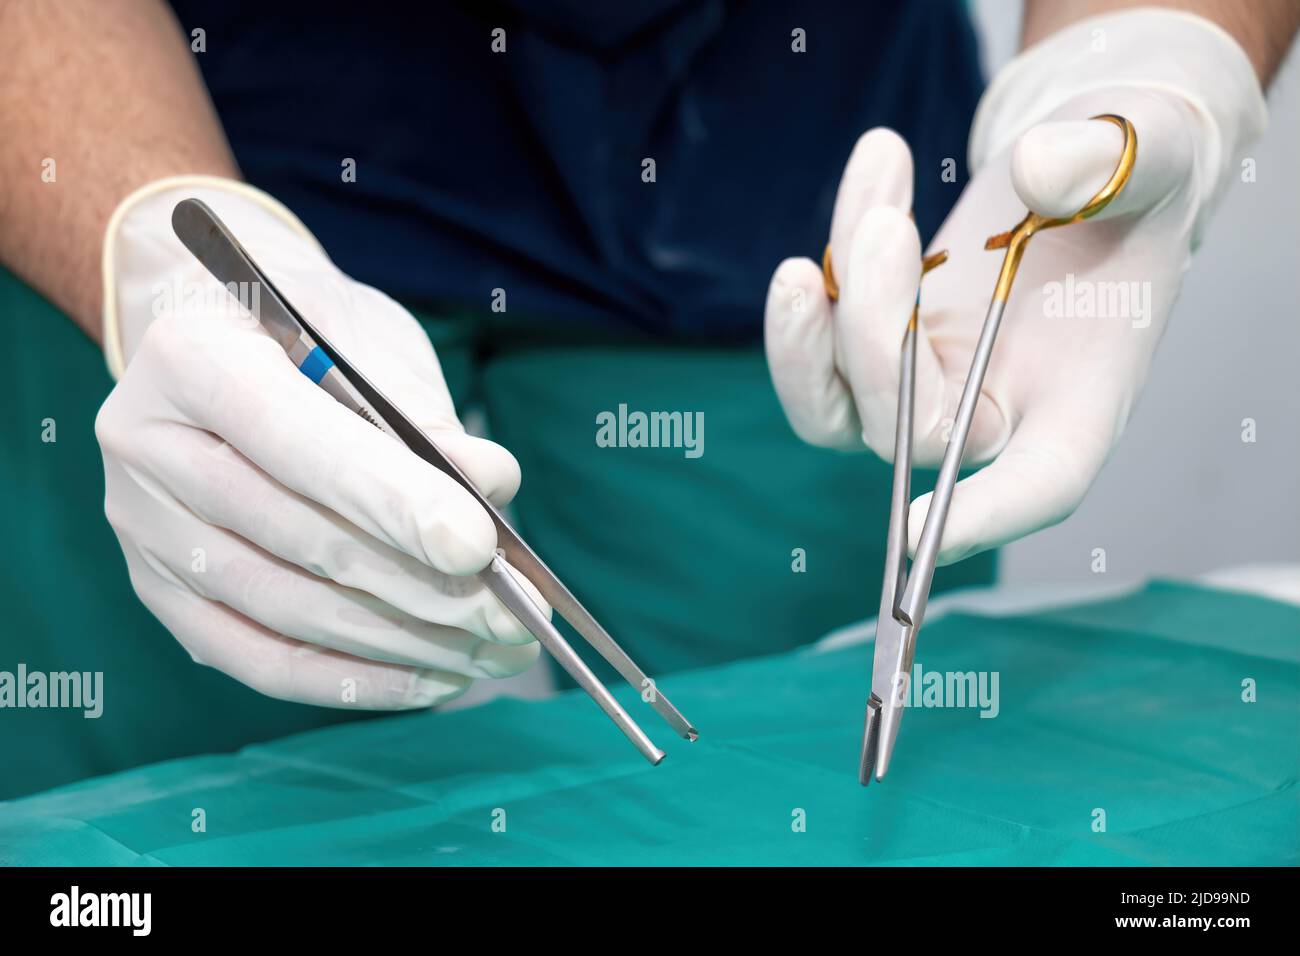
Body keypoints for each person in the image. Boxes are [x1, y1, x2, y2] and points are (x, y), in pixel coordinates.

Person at [0, 0, 1294, 799]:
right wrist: (148, 248)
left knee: (798, 787)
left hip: (792, 192)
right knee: (184, 809)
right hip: (197, 129)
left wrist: (1155, 47)